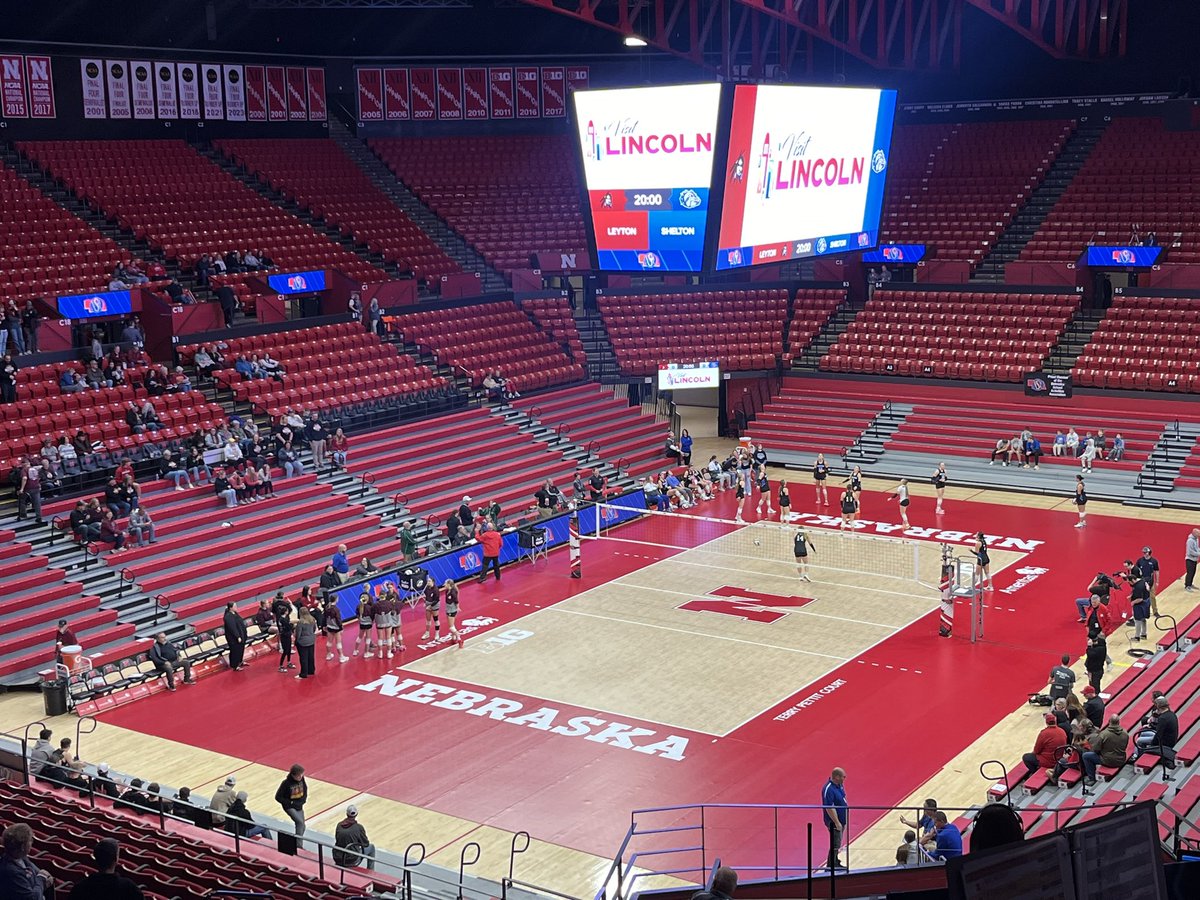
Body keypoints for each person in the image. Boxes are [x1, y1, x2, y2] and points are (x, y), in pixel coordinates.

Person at [0, 823, 54, 900]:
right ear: (22, 847)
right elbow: (33, 898)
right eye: (30, 840)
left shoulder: (21, 858)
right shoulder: (11, 872)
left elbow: (39, 873)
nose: (32, 842)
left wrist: (42, 878)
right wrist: (41, 880)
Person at [1081, 714, 1128, 784]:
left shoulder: (1104, 734)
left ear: (1109, 722)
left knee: (1086, 756)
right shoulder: (1125, 733)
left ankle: (1091, 779)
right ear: (1119, 722)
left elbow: (1096, 749)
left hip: (1108, 761)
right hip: (1121, 759)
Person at [333, 804, 377, 871]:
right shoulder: (359, 827)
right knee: (371, 847)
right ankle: (371, 871)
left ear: (346, 814)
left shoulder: (339, 825)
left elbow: (337, 839)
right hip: (351, 860)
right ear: (356, 814)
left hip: (337, 857)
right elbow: (366, 844)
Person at [821, 767, 848, 870]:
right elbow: (829, 807)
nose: (844, 779)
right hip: (834, 822)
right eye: (843, 777)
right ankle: (831, 866)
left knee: (838, 842)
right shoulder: (828, 789)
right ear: (836, 777)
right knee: (835, 843)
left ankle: (835, 862)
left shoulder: (839, 785)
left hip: (841, 820)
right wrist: (837, 823)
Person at [275, 764, 309, 847]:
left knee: (302, 826)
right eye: (298, 775)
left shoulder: (302, 779)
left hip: (299, 805)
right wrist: (290, 803)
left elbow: (305, 789)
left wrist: (303, 800)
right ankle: (299, 846)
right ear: (293, 775)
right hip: (289, 806)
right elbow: (278, 797)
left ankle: (296, 842)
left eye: (301, 774)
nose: (300, 777)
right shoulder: (286, 783)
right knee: (300, 823)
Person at [1136, 546, 1161, 617]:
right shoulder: (1140, 561)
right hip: (1142, 581)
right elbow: (1136, 570)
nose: (1144, 554)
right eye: (1143, 552)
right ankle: (1144, 611)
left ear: (1149, 553)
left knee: (1152, 596)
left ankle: (1155, 611)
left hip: (1150, 581)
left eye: (1146, 552)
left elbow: (1156, 571)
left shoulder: (1154, 561)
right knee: (1142, 597)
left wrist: (1157, 581)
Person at [223, 602, 249, 671]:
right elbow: (232, 628)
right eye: (235, 606)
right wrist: (237, 636)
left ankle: (240, 662)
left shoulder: (235, 614)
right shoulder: (228, 616)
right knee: (235, 651)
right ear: (230, 608)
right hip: (233, 638)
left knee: (241, 649)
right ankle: (234, 665)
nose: (236, 607)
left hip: (241, 635)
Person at [476, 519, 503, 583]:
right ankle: (498, 576)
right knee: (496, 565)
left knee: (485, 565)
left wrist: (477, 532)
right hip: (495, 553)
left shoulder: (485, 535)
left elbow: (478, 539)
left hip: (488, 554)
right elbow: (501, 544)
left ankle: (482, 578)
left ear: (487, 528)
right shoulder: (497, 534)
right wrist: (496, 548)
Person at [295, 606, 318, 679]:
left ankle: (303, 673)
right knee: (311, 656)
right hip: (311, 640)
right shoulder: (312, 619)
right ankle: (311, 670)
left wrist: (296, 641)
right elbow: (314, 629)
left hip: (303, 642)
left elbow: (298, 633)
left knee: (303, 658)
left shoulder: (300, 622)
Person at [354, 591, 376, 658]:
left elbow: (357, 614)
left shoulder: (358, 606)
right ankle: (366, 653)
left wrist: (360, 619)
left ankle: (355, 650)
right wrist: (372, 622)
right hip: (368, 624)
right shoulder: (369, 607)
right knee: (368, 638)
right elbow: (372, 616)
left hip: (362, 624)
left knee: (360, 637)